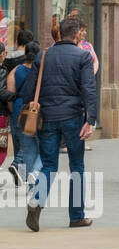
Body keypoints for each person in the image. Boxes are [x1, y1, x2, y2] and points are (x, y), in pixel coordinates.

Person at [20, 16, 98, 231]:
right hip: (72, 117)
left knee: (49, 164)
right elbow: (88, 89)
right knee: (77, 165)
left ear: (60, 33)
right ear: (76, 34)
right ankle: (76, 216)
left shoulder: (43, 55)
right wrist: (90, 120)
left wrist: (29, 111)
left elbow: (30, 89)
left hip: (46, 117)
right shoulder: (83, 57)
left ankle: (37, 200)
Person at [6, 40, 41, 193]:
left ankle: (22, 179)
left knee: (23, 147)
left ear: (25, 54)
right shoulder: (40, 71)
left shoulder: (15, 70)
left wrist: (13, 112)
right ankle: (31, 182)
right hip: (35, 111)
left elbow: (10, 94)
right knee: (37, 148)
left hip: (19, 111)